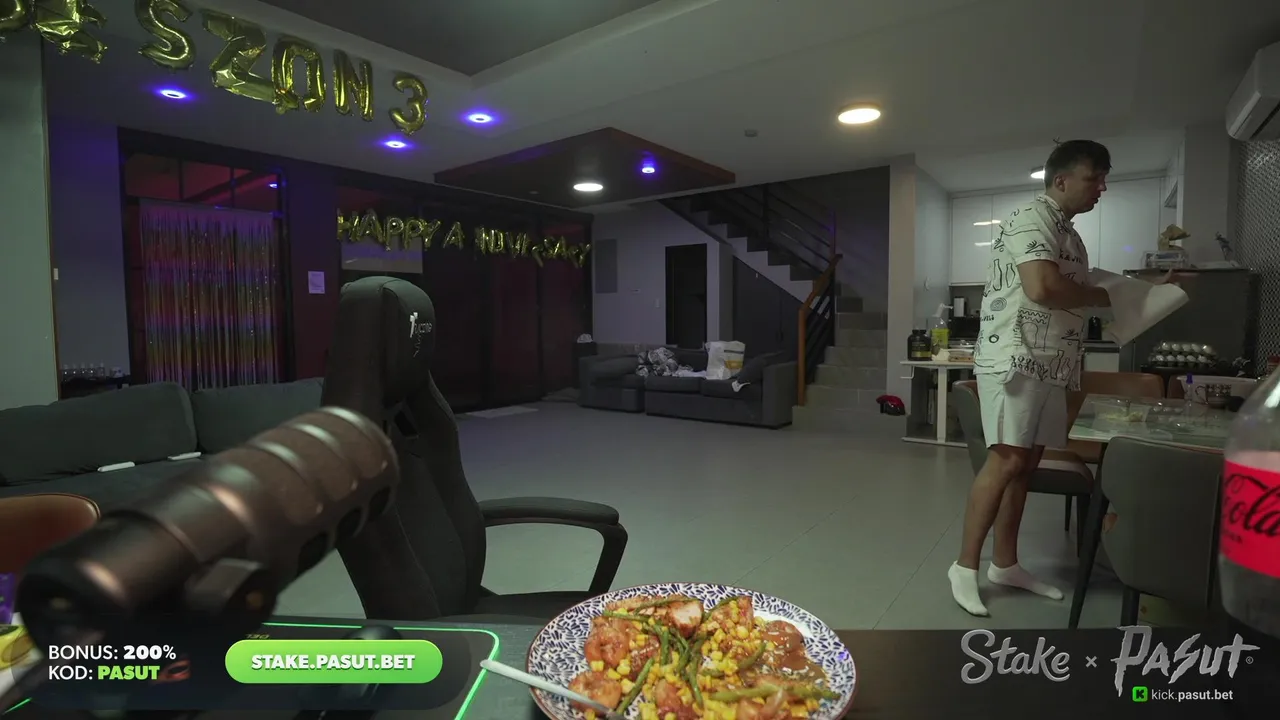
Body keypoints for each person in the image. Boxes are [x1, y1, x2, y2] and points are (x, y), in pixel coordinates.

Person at [948, 140, 1114, 617]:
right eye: (1093, 178)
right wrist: (1106, 296)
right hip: (1016, 359)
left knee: (1027, 465)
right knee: (1006, 461)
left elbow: (1066, 289)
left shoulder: (1069, 233)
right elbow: (1042, 287)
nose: (1101, 188)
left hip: (1051, 363)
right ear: (1061, 180)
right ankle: (964, 566)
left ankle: (1006, 564)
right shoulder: (1031, 217)